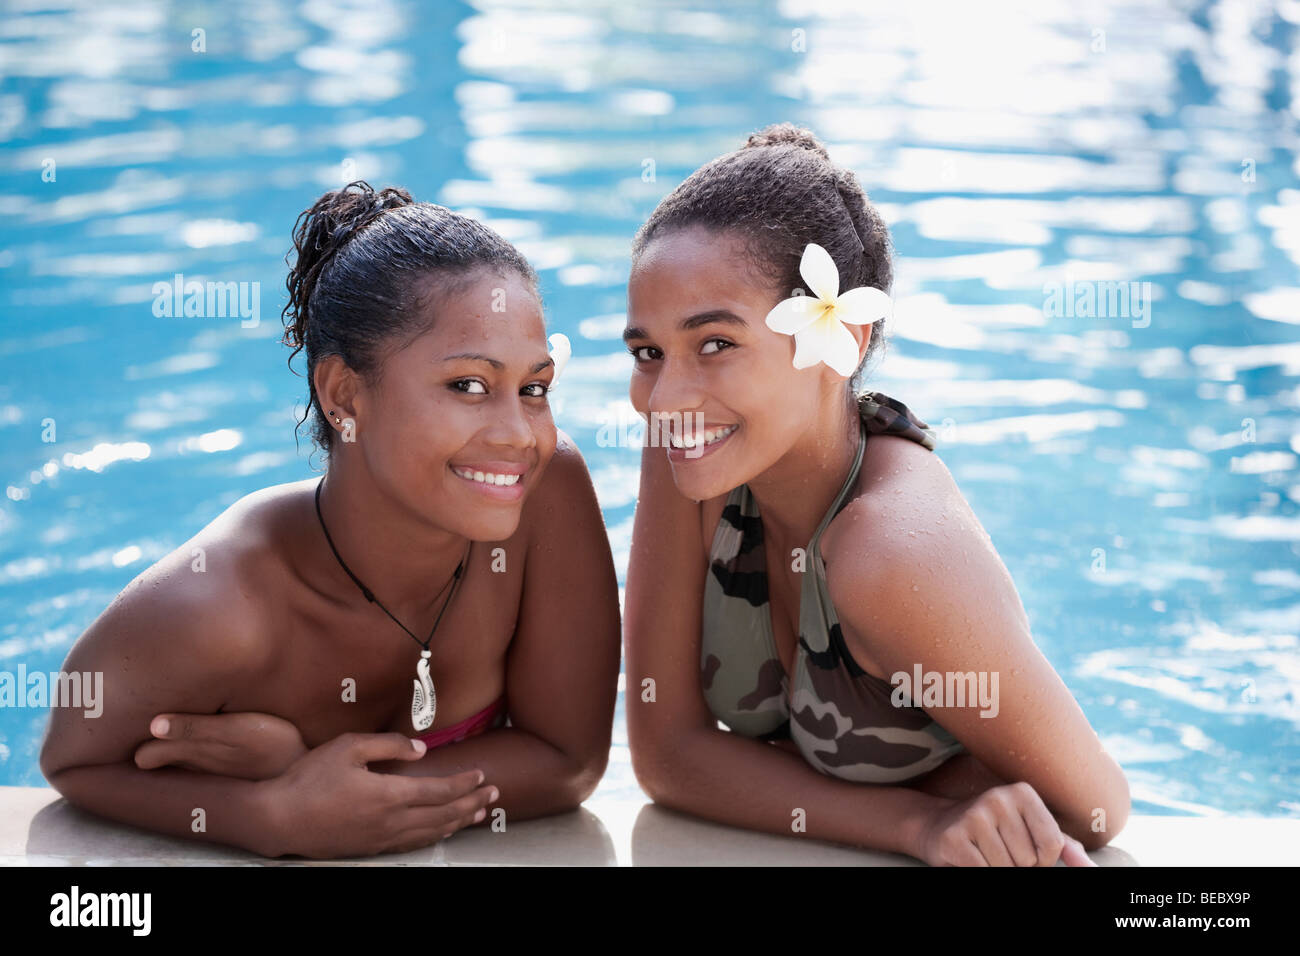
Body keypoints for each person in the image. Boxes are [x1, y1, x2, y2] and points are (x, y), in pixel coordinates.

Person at [39, 182, 621, 860]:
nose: (520, 435)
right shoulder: (219, 606)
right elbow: (71, 763)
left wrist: (309, 777)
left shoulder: (545, 494)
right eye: (468, 386)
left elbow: (567, 762)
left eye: (534, 389)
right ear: (344, 394)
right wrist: (267, 817)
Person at [621, 124, 1129, 866]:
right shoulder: (692, 451)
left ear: (844, 338)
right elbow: (667, 755)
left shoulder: (889, 553)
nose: (665, 397)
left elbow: (1096, 805)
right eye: (648, 353)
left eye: (715, 344)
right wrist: (915, 824)